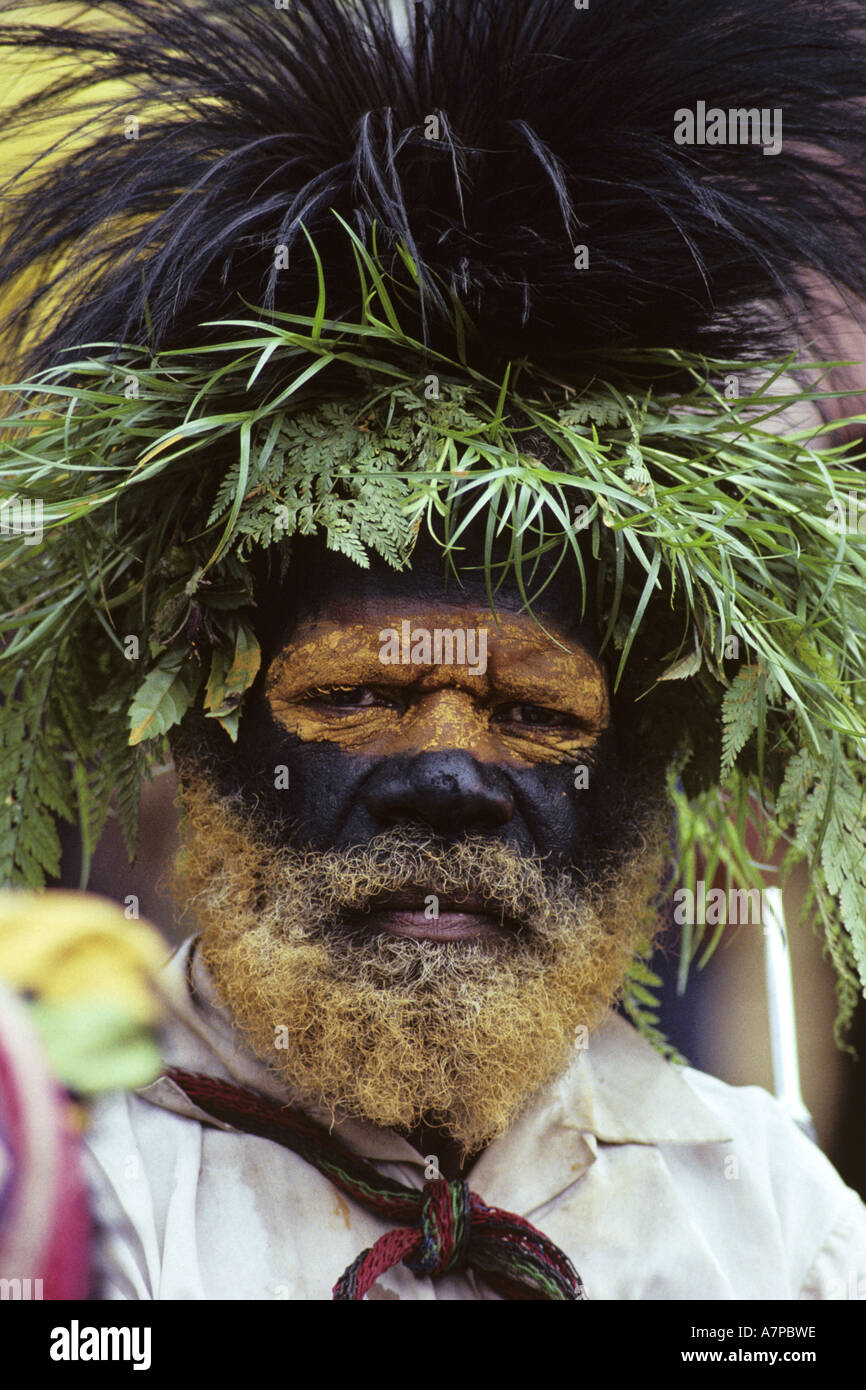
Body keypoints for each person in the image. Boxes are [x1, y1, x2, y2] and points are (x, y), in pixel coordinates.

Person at [1, 0, 865, 1300]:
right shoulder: (64, 1181)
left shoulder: (762, 1222)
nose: (448, 777)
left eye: (532, 711)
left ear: (641, 779)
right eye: (354, 693)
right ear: (201, 738)